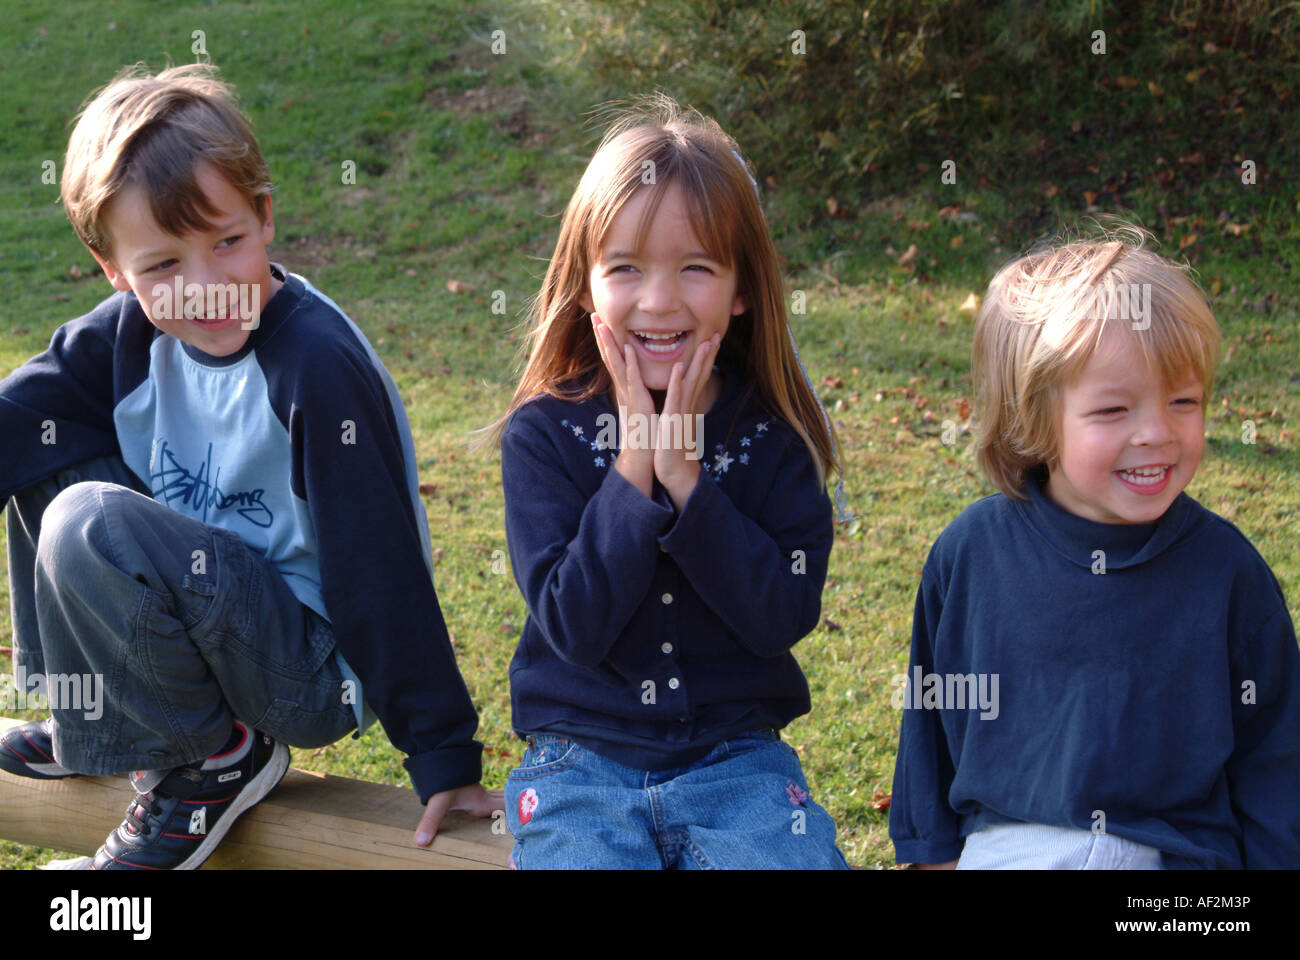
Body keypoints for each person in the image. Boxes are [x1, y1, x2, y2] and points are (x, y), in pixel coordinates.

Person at [0, 63, 500, 869]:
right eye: (162, 266)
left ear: (264, 217)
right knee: (42, 447)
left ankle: (211, 763)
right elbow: (14, 421)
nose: (205, 290)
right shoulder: (125, 335)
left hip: (309, 667)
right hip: (209, 623)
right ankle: (91, 715)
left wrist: (441, 750)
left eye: (226, 243)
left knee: (87, 520)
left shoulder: (316, 368)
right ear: (115, 272)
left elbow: (381, 571)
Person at [479, 94, 850, 868]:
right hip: (579, 768)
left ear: (741, 289)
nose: (659, 300)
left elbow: (779, 616)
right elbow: (574, 627)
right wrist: (633, 472)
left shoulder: (774, 437)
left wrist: (687, 477)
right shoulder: (543, 435)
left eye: (695, 268)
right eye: (626, 269)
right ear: (585, 284)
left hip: (738, 766)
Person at [889, 227, 1300, 869]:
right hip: (1010, 850)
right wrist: (932, 856)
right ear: (1033, 419)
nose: (1157, 433)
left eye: (1183, 401)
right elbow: (932, 726)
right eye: (1113, 411)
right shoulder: (971, 556)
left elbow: (1276, 755)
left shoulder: (1228, 573)